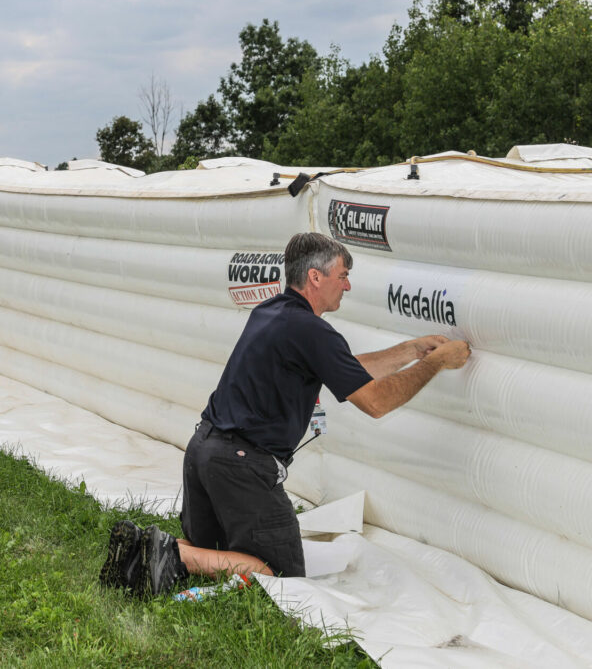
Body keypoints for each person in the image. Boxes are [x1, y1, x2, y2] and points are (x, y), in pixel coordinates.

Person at [99, 232, 472, 598]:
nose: (348, 286)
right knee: (280, 576)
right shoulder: (313, 331)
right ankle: (175, 553)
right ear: (315, 277)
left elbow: (345, 370)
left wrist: (411, 349)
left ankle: (143, 552)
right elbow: (376, 402)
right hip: (240, 466)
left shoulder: (273, 312)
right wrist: (437, 363)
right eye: (343, 276)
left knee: (221, 552)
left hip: (204, 451)